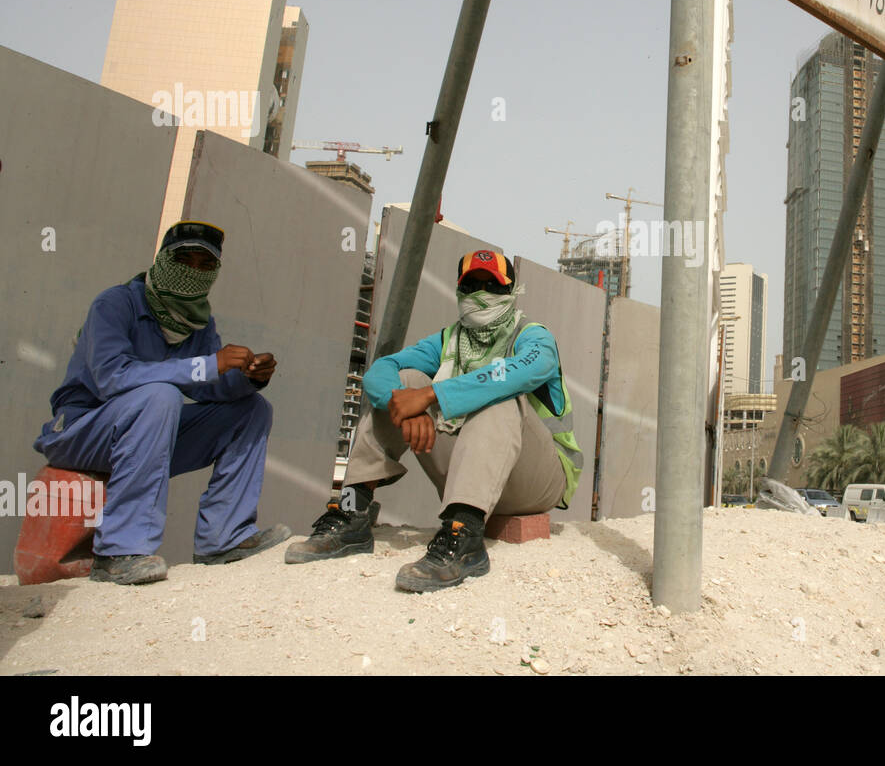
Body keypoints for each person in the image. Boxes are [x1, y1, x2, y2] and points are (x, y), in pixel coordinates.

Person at [285, 249, 583, 594]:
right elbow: (381, 370)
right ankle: (351, 514)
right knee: (406, 382)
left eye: (492, 286)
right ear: (459, 291)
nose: (481, 294)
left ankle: (464, 535)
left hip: (537, 480)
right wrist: (410, 407)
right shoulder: (447, 340)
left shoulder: (532, 336)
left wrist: (432, 398)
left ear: (511, 293)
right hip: (472, 473)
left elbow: (524, 370)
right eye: (472, 285)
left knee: (499, 391)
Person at [33, 221, 289, 585]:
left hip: (147, 434)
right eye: (185, 260)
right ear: (164, 260)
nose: (194, 272)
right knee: (160, 395)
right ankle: (120, 551)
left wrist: (250, 377)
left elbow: (206, 389)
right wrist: (207, 364)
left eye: (205, 265)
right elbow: (112, 378)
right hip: (81, 430)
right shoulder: (115, 304)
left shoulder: (197, 321)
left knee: (252, 410)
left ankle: (225, 538)